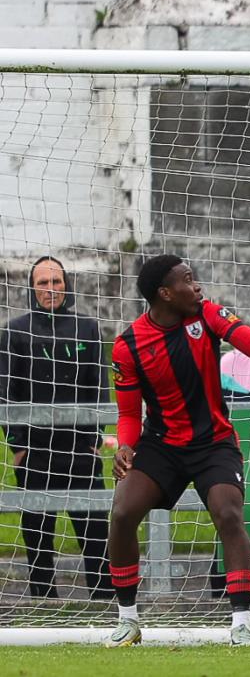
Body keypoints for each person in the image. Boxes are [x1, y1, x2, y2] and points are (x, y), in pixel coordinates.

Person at [107, 255, 250, 647]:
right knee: (124, 510)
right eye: (188, 280)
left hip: (214, 442)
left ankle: (241, 624)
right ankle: (128, 619)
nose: (198, 287)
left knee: (228, 513)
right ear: (164, 293)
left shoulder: (208, 315)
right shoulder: (128, 346)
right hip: (162, 444)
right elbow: (129, 412)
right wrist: (126, 445)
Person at [0, 257, 111, 599]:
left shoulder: (87, 328)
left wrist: (94, 437)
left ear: (67, 285)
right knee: (38, 530)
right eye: (43, 283)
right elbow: (6, 393)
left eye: (57, 282)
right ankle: (44, 600)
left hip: (80, 448)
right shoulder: (14, 332)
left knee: (95, 528)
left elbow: (98, 386)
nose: (51, 289)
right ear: (32, 289)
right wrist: (18, 446)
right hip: (35, 449)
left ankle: (104, 597)